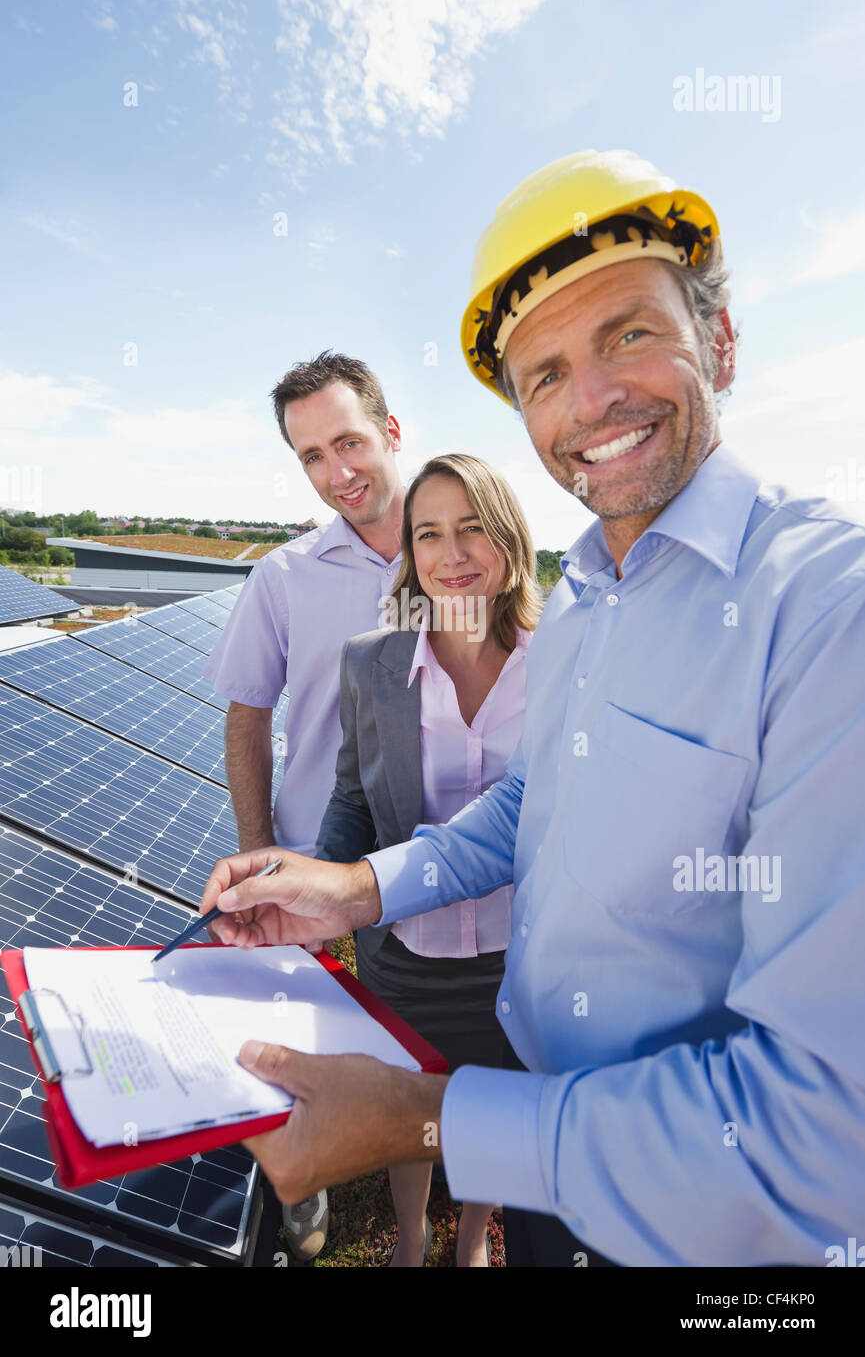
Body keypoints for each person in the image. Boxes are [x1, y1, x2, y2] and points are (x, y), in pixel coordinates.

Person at [201, 150, 865, 1267]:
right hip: (556, 1169)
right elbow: (534, 801)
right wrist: (356, 884)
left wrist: (422, 1116)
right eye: (544, 374)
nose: (590, 401)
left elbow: (813, 1135)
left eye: (628, 335)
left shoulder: (824, 613)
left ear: (723, 341)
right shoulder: (590, 594)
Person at [201, 350, 406, 1260]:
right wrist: (259, 856)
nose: (337, 473)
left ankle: (417, 1202)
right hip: (308, 853)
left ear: (392, 431)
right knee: (297, 1038)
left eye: (350, 441)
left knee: (418, 1035)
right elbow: (247, 715)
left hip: (426, 860)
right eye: (311, 456)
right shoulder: (282, 578)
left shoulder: (465, 554)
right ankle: (307, 1189)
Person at [315, 453, 540, 1265]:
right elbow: (351, 798)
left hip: (519, 953)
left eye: (473, 527)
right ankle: (411, 1235)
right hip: (404, 951)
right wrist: (321, 883)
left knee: (485, 1106)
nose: (452, 555)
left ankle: (473, 1240)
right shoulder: (370, 663)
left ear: (509, 538)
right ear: (409, 552)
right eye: (430, 534)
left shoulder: (564, 664)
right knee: (414, 1108)